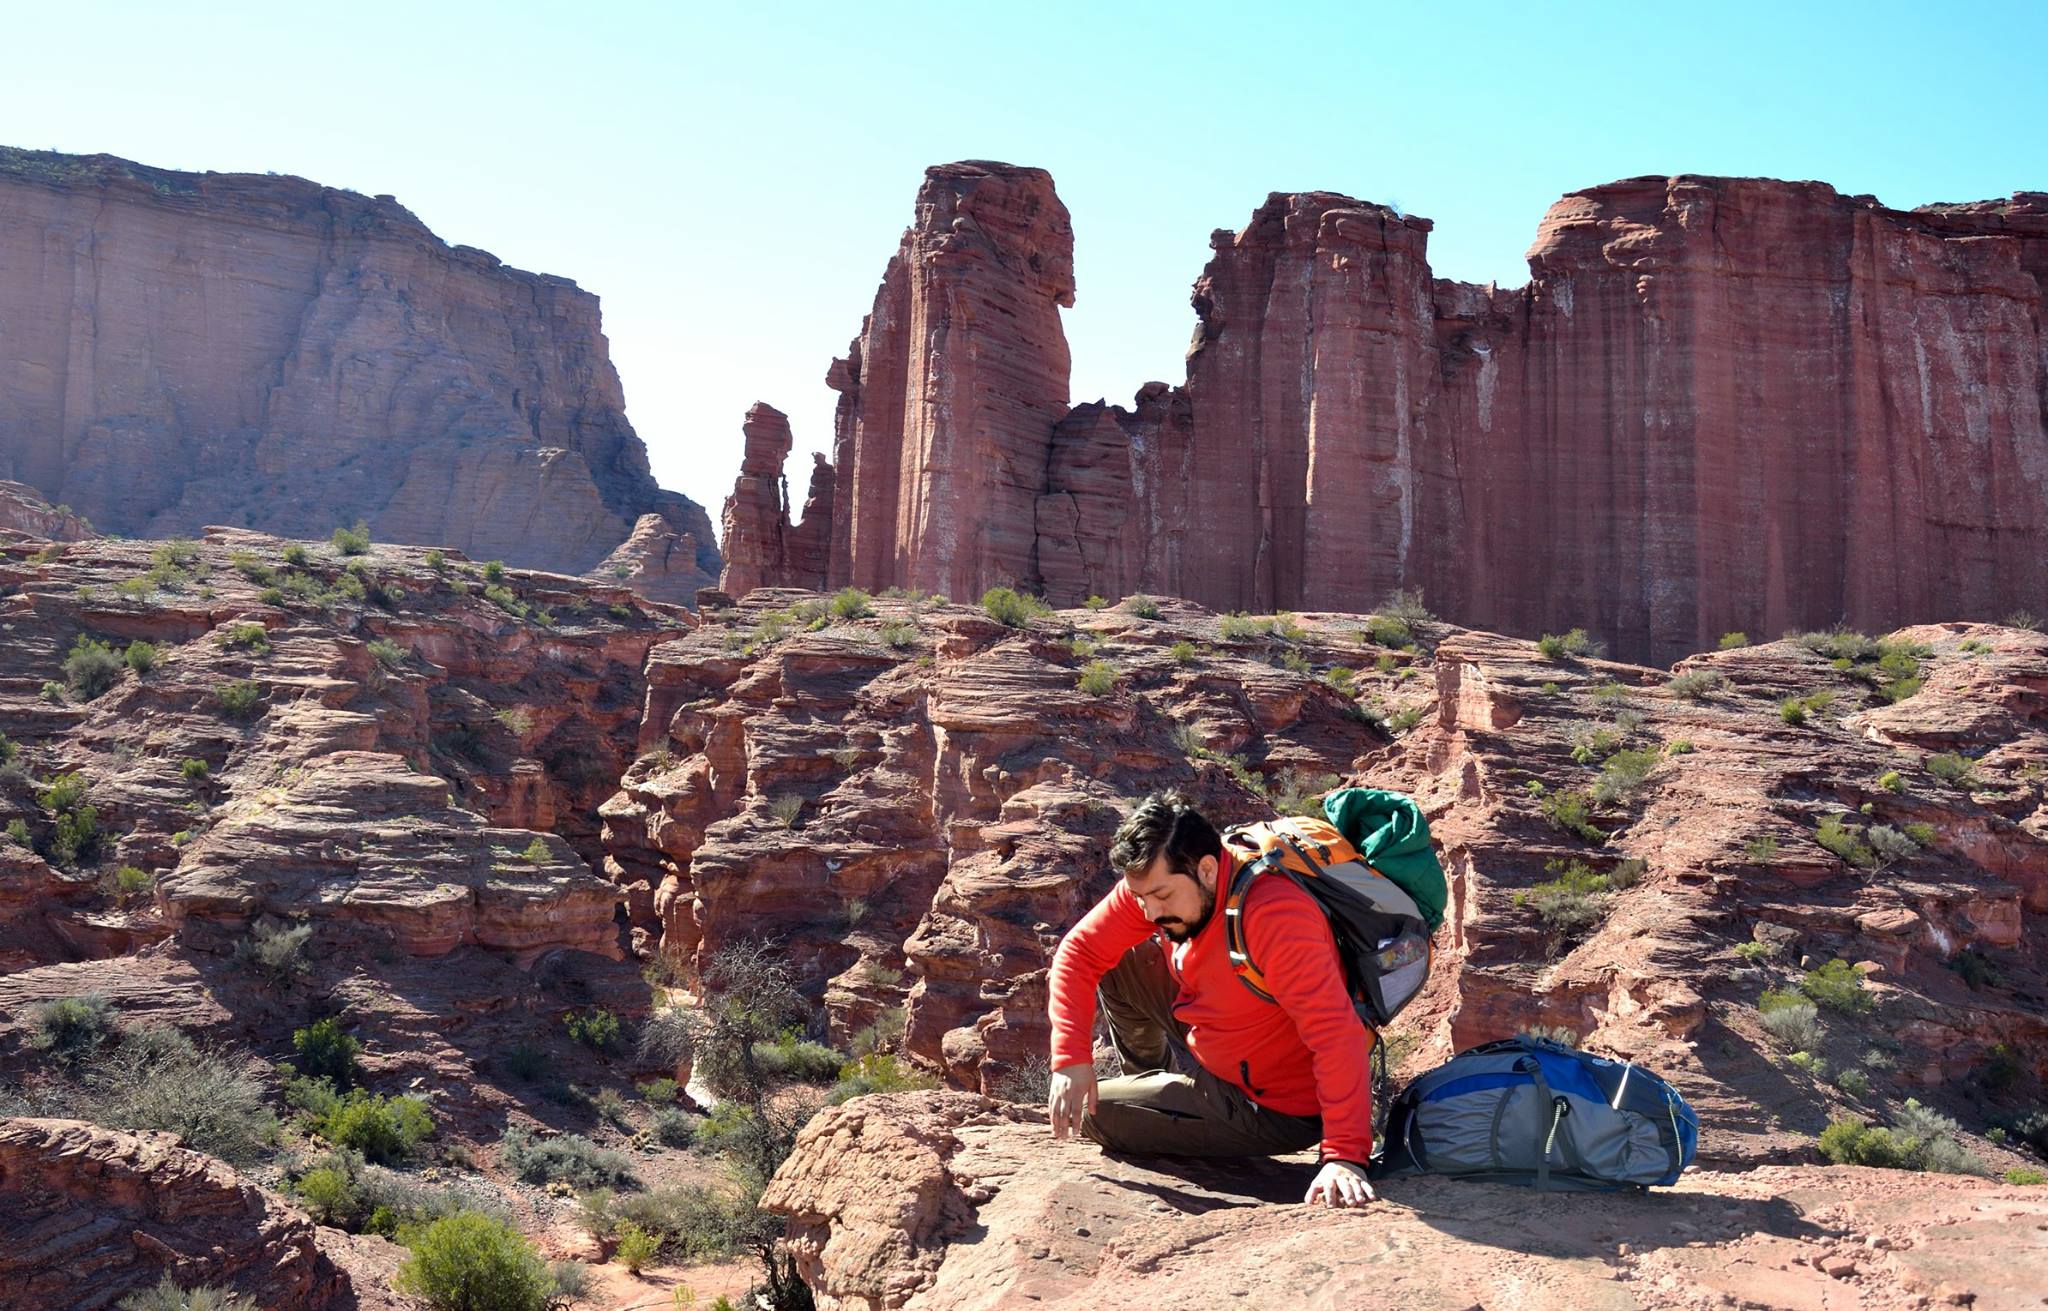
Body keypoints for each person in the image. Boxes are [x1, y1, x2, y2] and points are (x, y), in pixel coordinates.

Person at [1045, 790, 1376, 1208]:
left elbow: (1335, 1034)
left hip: (1271, 1101)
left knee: (1095, 1115)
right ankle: (1152, 1085)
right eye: (1141, 897)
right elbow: (1081, 951)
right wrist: (1071, 1058)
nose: (1149, 913)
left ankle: (1165, 1104)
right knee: (1123, 960)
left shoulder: (1274, 916)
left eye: (1162, 897)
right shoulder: (1165, 881)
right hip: (1226, 1024)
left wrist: (1344, 1155)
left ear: (1205, 868)